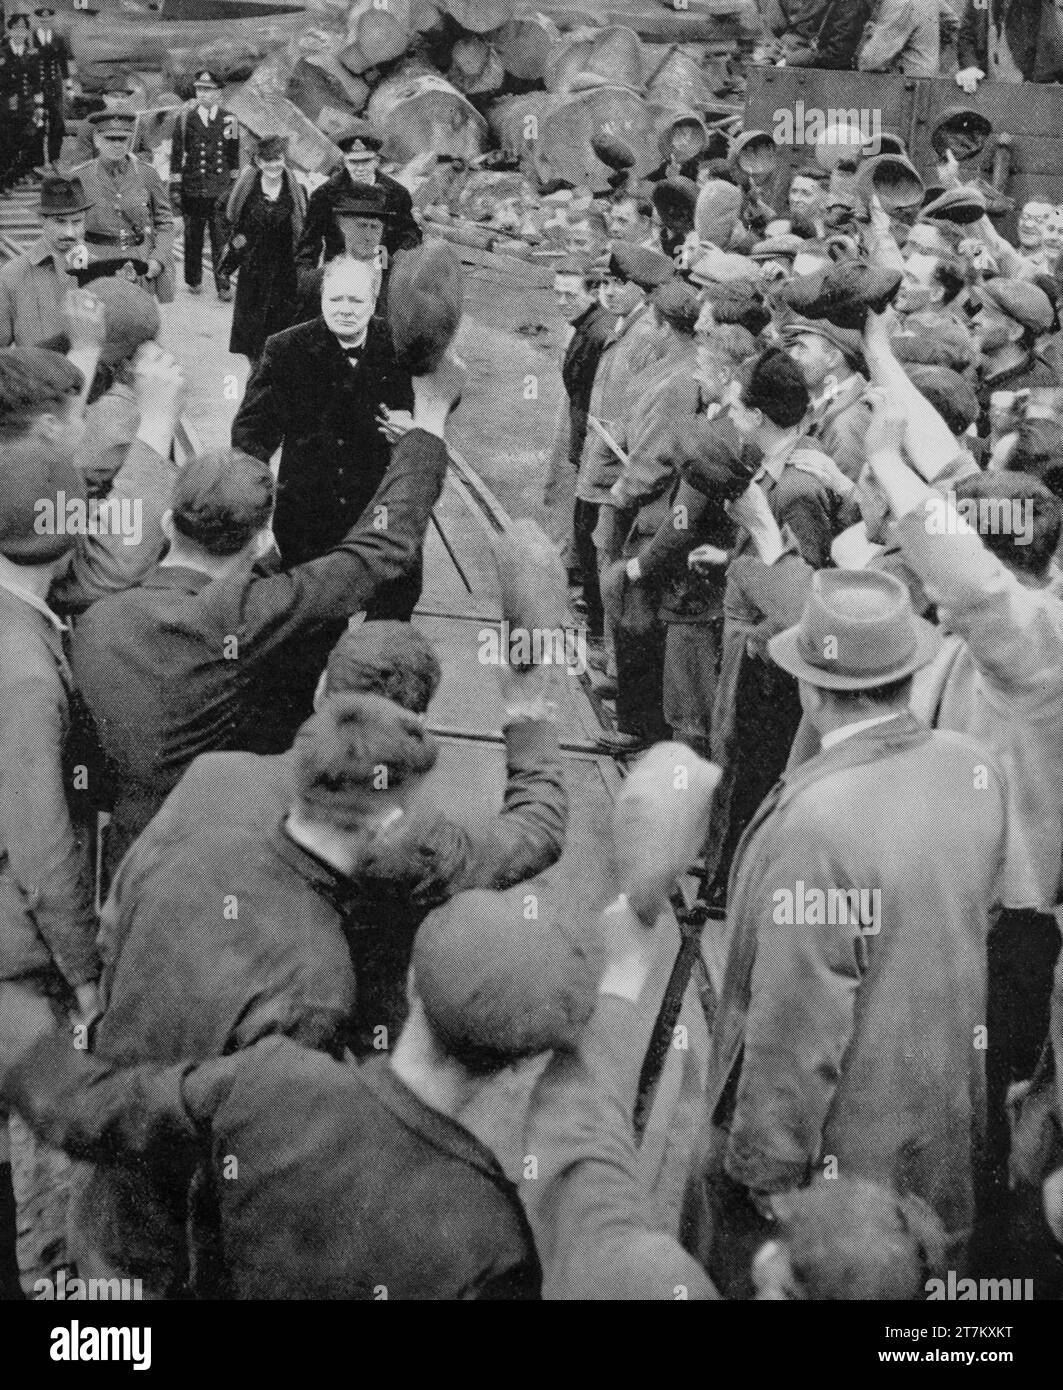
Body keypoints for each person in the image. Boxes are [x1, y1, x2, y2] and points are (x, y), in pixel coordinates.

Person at [680, 562, 1029, 1297]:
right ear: (909, 671)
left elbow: (795, 1023)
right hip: (935, 1138)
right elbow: (982, 917)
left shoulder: (817, 826)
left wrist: (765, 1172)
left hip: (833, 1173)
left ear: (810, 684)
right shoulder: (969, 768)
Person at [0, 884, 598, 1299]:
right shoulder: (493, 1243)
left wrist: (17, 1017)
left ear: (412, 983)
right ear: (526, 1065)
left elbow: (83, 1110)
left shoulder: (268, 1082)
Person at [72, 351, 455, 874]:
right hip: (221, 848)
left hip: (125, 852)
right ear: (259, 542)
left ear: (166, 524)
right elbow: (376, 552)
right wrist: (426, 433)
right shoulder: (249, 615)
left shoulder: (94, 617)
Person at [0, 421, 100, 1297]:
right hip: (19, 954)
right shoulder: (27, 672)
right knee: (49, 1153)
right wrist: (85, 969)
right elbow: (38, 849)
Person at [231, 255, 415, 587]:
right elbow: (250, 439)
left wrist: (415, 426)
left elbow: (446, 393)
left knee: (392, 611)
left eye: (356, 300)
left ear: (374, 302)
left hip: (381, 510)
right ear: (322, 298)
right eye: (335, 299)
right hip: (307, 517)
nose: (345, 309)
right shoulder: (285, 350)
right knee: (312, 621)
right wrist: (255, 517)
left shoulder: (401, 347)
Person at [295, 122, 420, 286]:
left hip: (380, 267)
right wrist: (305, 281)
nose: (360, 168)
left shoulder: (396, 193)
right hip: (339, 268)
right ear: (345, 162)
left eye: (366, 161)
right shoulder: (325, 194)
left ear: (376, 161)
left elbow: (410, 234)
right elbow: (309, 243)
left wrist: (392, 262)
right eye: (353, 162)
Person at [71, 110, 175, 303]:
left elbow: (165, 222)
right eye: (110, 139)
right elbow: (70, 228)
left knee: (138, 323)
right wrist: (79, 265)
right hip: (96, 262)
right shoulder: (80, 178)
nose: (117, 144)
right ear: (97, 140)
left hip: (137, 264)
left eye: (122, 139)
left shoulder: (146, 174)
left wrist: (158, 258)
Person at [224, 134, 304, 369]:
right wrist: (239, 244)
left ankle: (275, 367)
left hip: (284, 269)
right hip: (254, 269)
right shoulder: (246, 189)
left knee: (281, 324)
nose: (273, 165)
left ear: (284, 160)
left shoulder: (295, 190)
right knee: (252, 329)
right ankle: (255, 369)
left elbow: (302, 228)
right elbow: (228, 217)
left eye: (278, 159)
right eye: (267, 160)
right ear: (258, 162)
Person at [169, 69, 240, 302]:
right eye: (200, 89)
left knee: (221, 240)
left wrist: (234, 188)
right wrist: (175, 188)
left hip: (219, 190)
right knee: (193, 237)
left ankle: (223, 283)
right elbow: (177, 155)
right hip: (193, 188)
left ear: (219, 93)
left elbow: (233, 157)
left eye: (209, 90)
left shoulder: (230, 120)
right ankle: (193, 279)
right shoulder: (183, 119)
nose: (204, 95)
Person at [0, 174, 90, 348]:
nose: (69, 233)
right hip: (36, 373)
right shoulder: (11, 276)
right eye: (60, 222)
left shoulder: (98, 269)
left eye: (77, 222)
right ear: (42, 220)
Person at [0, 12, 42, 193]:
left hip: (27, 105)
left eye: (23, 30)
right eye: (15, 29)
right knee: (7, 143)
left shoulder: (32, 54)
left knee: (28, 140)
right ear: (9, 31)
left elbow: (37, 83)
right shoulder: (3, 53)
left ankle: (15, 177)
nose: (19, 33)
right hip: (6, 106)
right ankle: (4, 181)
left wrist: (39, 108)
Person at [30, 6, 73, 170]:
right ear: (38, 21)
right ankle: (38, 162)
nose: (45, 23)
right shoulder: (31, 38)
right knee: (38, 123)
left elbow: (63, 63)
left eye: (48, 21)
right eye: (42, 21)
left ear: (52, 21)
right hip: (36, 85)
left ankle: (55, 159)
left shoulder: (58, 38)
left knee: (57, 123)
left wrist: (69, 87)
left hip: (55, 85)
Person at [858, 0, 941, 76]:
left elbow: (871, 62)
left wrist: (866, 38)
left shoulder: (899, 4)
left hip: (904, 84)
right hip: (925, 79)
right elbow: (952, 22)